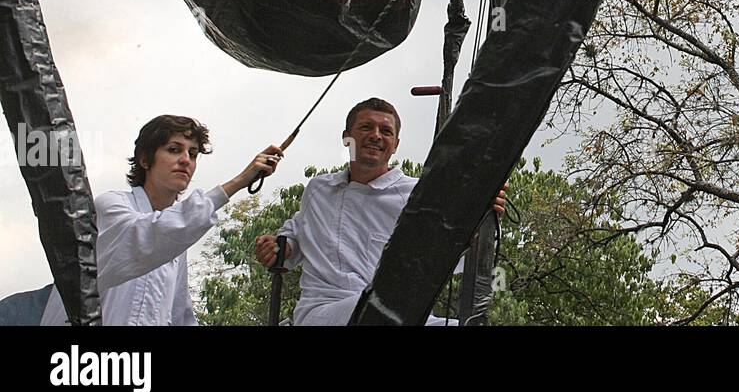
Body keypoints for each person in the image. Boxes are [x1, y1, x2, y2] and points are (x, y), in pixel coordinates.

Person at [254, 97, 507, 325]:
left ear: (395, 144)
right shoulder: (319, 189)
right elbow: (294, 237)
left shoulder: (417, 196)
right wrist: (280, 248)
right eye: (366, 128)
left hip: (396, 315)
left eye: (386, 131)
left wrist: (480, 223)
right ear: (347, 137)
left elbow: (453, 257)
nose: (376, 136)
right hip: (323, 312)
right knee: (376, 309)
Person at [41, 114, 280, 326]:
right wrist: (237, 182)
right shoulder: (111, 207)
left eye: (193, 153)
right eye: (174, 149)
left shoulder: (175, 242)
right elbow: (148, 235)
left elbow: (180, 315)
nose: (186, 159)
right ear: (145, 160)